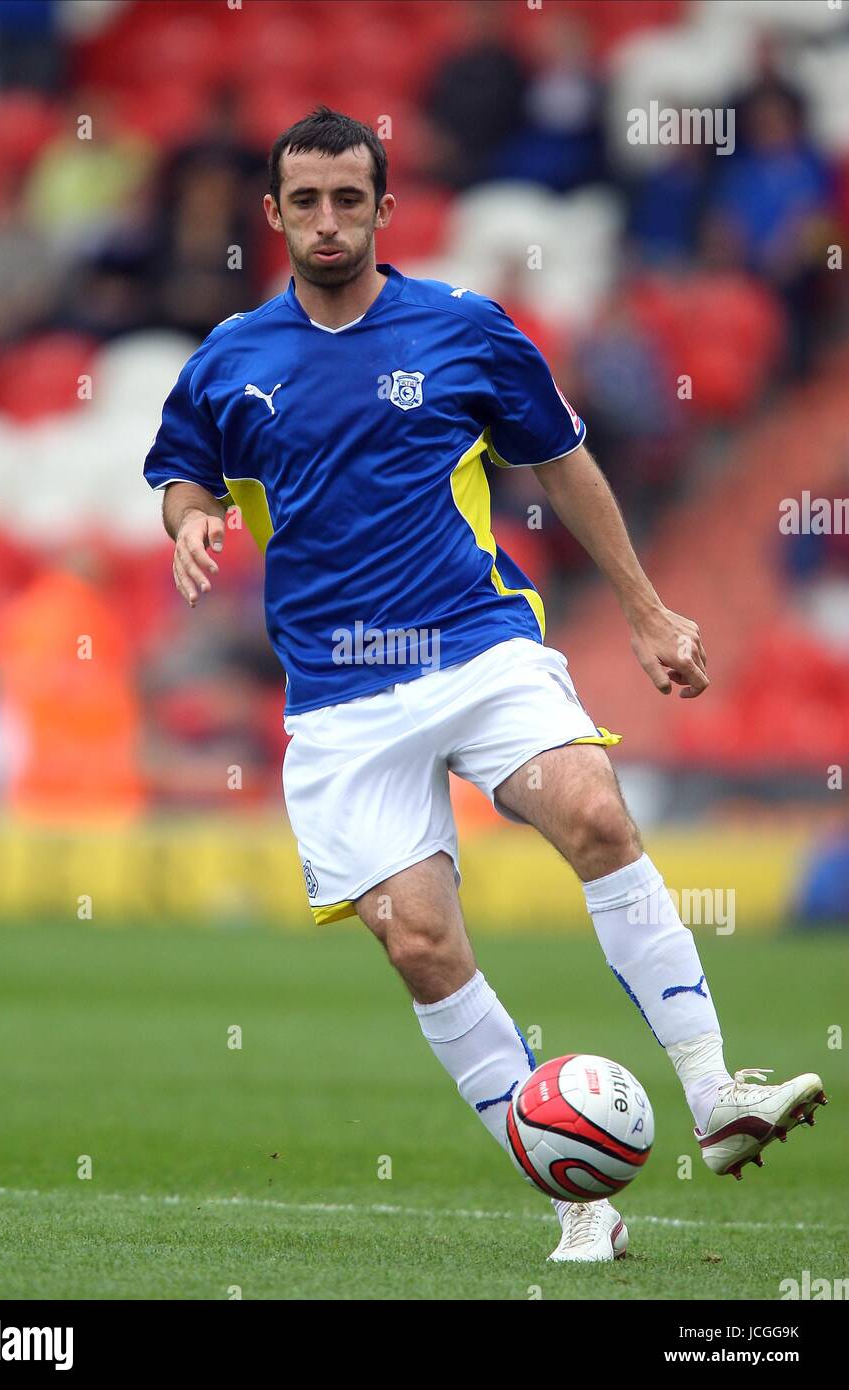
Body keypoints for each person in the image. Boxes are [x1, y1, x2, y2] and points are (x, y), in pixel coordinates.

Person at [144, 108, 826, 1263]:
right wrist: (192, 521)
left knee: (594, 807)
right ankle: (580, 1201)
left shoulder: (464, 329)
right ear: (272, 214)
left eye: (347, 199)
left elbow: (560, 458)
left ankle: (714, 1090)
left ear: (385, 209)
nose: (325, 221)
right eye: (303, 201)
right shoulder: (228, 361)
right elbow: (181, 473)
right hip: (338, 698)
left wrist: (650, 610)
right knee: (420, 943)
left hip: (474, 644)